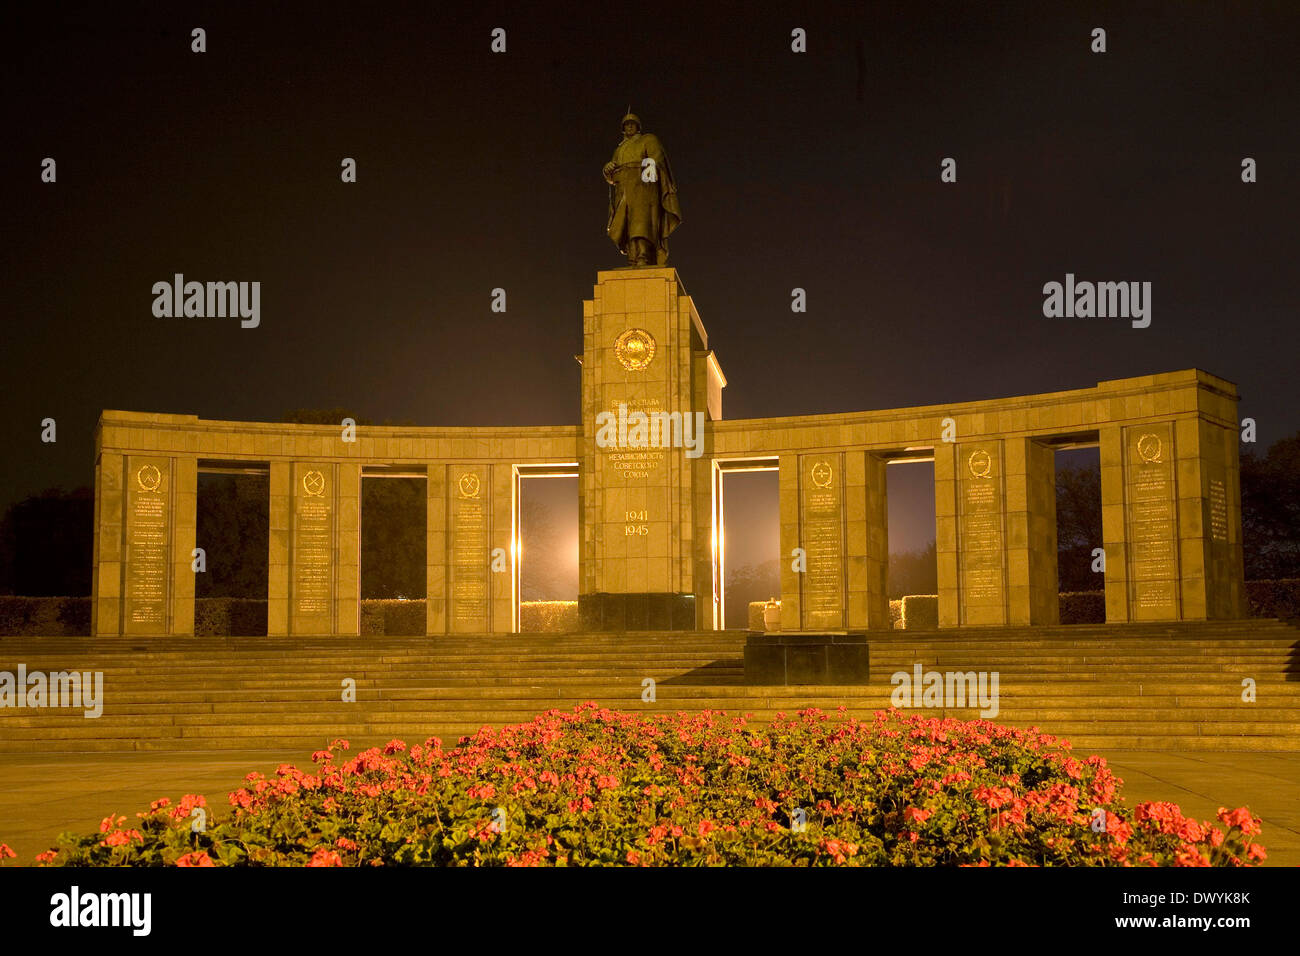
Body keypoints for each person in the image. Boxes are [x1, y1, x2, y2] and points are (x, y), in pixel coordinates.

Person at [602, 112, 681, 266]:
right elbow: (612, 176)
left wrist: (647, 172)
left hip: (642, 188)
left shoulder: (648, 139)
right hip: (623, 190)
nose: (629, 126)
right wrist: (607, 169)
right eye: (626, 124)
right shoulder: (619, 149)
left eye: (632, 123)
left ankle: (643, 256)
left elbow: (657, 160)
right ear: (623, 129)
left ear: (638, 127)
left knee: (641, 223)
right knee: (626, 225)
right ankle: (632, 257)